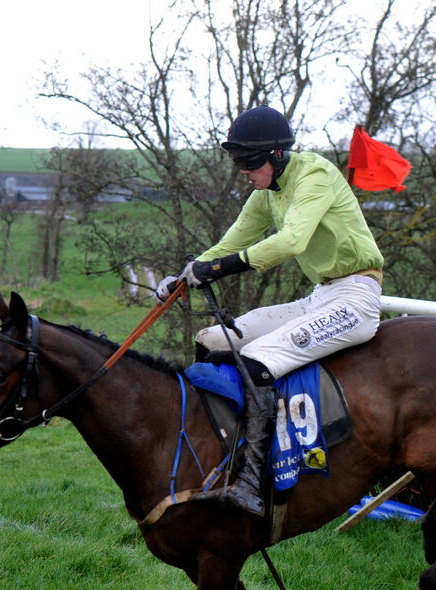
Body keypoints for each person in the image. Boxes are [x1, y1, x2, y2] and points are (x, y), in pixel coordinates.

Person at [155, 105, 385, 517]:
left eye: (249, 161)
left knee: (258, 361)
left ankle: (252, 480)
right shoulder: (267, 193)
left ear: (277, 155)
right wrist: (184, 276)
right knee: (211, 339)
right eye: (238, 161)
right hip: (320, 296)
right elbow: (229, 244)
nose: (243, 170)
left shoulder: (314, 175)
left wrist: (218, 269)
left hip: (356, 298)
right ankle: (216, 449)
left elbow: (292, 242)